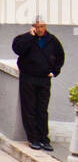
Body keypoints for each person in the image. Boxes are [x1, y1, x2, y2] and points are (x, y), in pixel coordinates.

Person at [11, 17, 64, 151]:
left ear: (45, 27)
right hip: (28, 78)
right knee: (29, 108)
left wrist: (55, 72)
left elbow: (60, 56)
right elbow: (17, 49)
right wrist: (30, 36)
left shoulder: (52, 41)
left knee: (42, 109)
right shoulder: (25, 39)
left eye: (42, 27)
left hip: (44, 79)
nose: (40, 29)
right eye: (37, 27)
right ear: (33, 27)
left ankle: (44, 138)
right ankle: (33, 138)